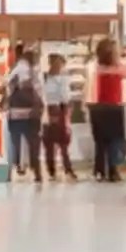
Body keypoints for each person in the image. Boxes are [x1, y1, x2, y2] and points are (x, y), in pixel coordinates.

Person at [87, 38, 126, 183]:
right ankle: (113, 170)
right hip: (114, 107)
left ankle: (99, 171)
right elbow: (125, 73)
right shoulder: (119, 67)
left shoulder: (94, 67)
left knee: (100, 142)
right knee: (114, 141)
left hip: (97, 107)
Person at [6, 50, 43, 183]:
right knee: (33, 144)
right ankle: (36, 171)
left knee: (15, 143)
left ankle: (15, 169)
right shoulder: (28, 71)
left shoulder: (14, 71)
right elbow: (29, 87)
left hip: (15, 114)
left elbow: (9, 89)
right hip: (30, 114)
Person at [41, 53, 76, 182]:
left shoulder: (51, 78)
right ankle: (60, 170)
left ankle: (58, 170)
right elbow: (65, 97)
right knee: (57, 144)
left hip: (53, 112)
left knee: (56, 144)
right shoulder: (55, 79)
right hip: (54, 111)